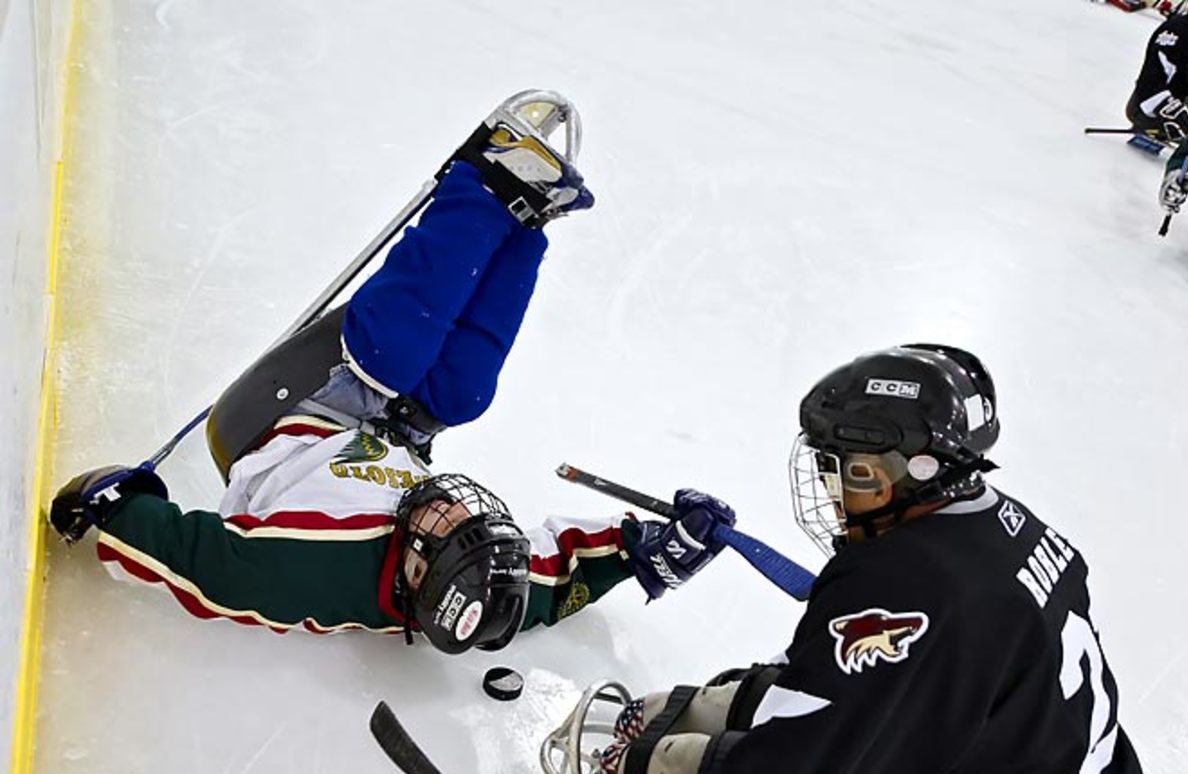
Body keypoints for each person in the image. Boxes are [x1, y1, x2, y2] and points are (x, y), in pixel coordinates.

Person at [561, 344, 1151, 774]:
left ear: (906, 471)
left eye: (847, 470)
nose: (834, 490)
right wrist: (755, 698)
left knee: (687, 769)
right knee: (746, 713)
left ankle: (647, 767)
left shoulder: (915, 589)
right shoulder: (1003, 529)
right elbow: (900, 688)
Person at [49, 93, 736, 654]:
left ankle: (485, 183)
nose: (456, 509)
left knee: (394, 355)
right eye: (469, 521)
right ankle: (524, 225)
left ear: (412, 574)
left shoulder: (318, 568)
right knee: (463, 393)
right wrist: (647, 552)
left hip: (290, 421)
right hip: (396, 438)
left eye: (444, 531)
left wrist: (118, 510)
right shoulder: (480, 576)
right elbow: (550, 583)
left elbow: (209, 571)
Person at [1126, 2, 1188, 142]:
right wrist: (1168, 107)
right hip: (1150, 108)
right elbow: (1151, 78)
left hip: (1185, 105)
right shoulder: (1178, 30)